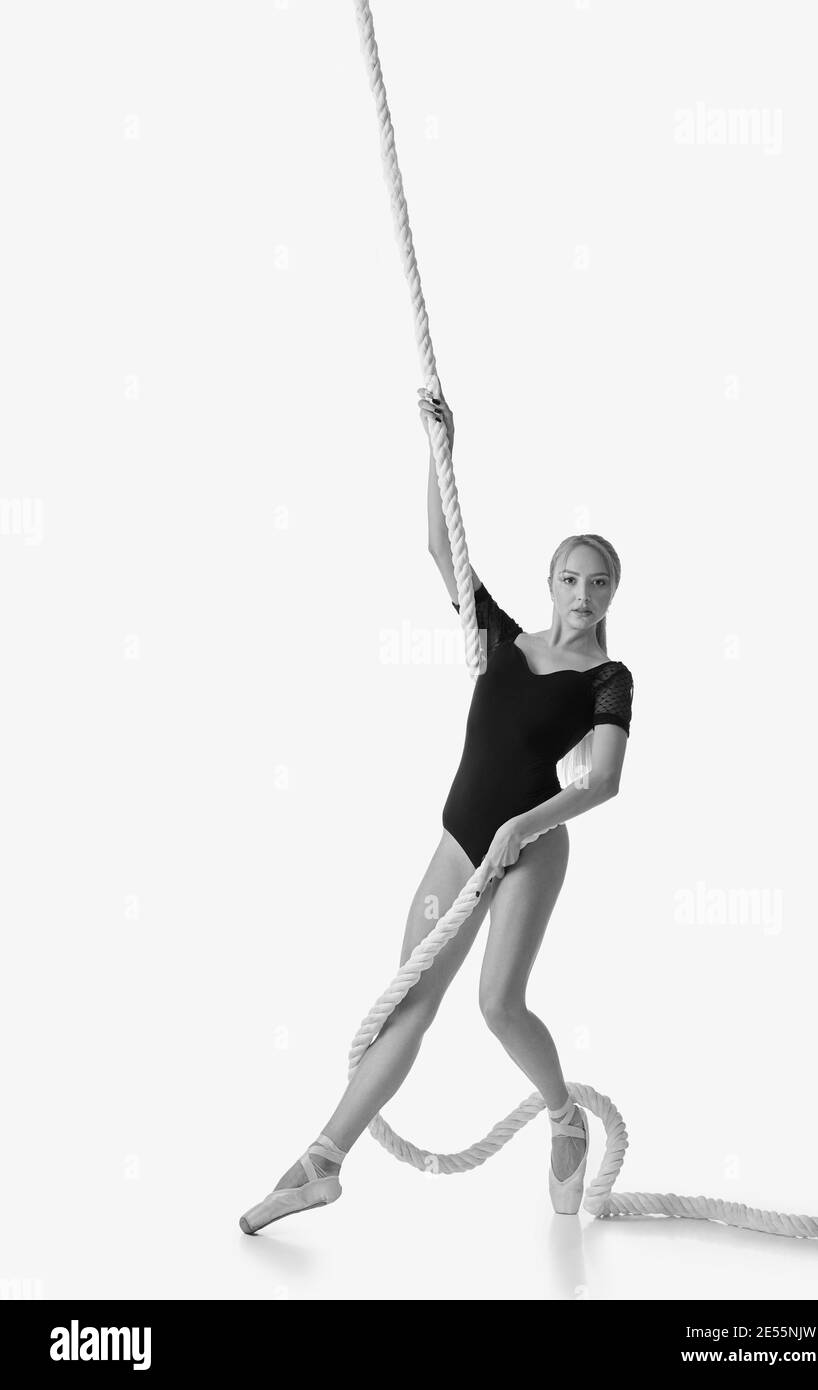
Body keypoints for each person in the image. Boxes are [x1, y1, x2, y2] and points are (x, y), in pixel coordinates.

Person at [239, 386, 633, 1233]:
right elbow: (437, 545)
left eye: (597, 583)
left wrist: (522, 830)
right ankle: (323, 1164)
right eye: (570, 577)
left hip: (529, 846)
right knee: (410, 999)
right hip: (460, 839)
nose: (582, 593)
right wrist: (440, 450)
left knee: (497, 1005)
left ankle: (563, 1117)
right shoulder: (499, 636)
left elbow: (600, 784)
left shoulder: (608, 680)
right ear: (551, 580)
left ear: (613, 594)